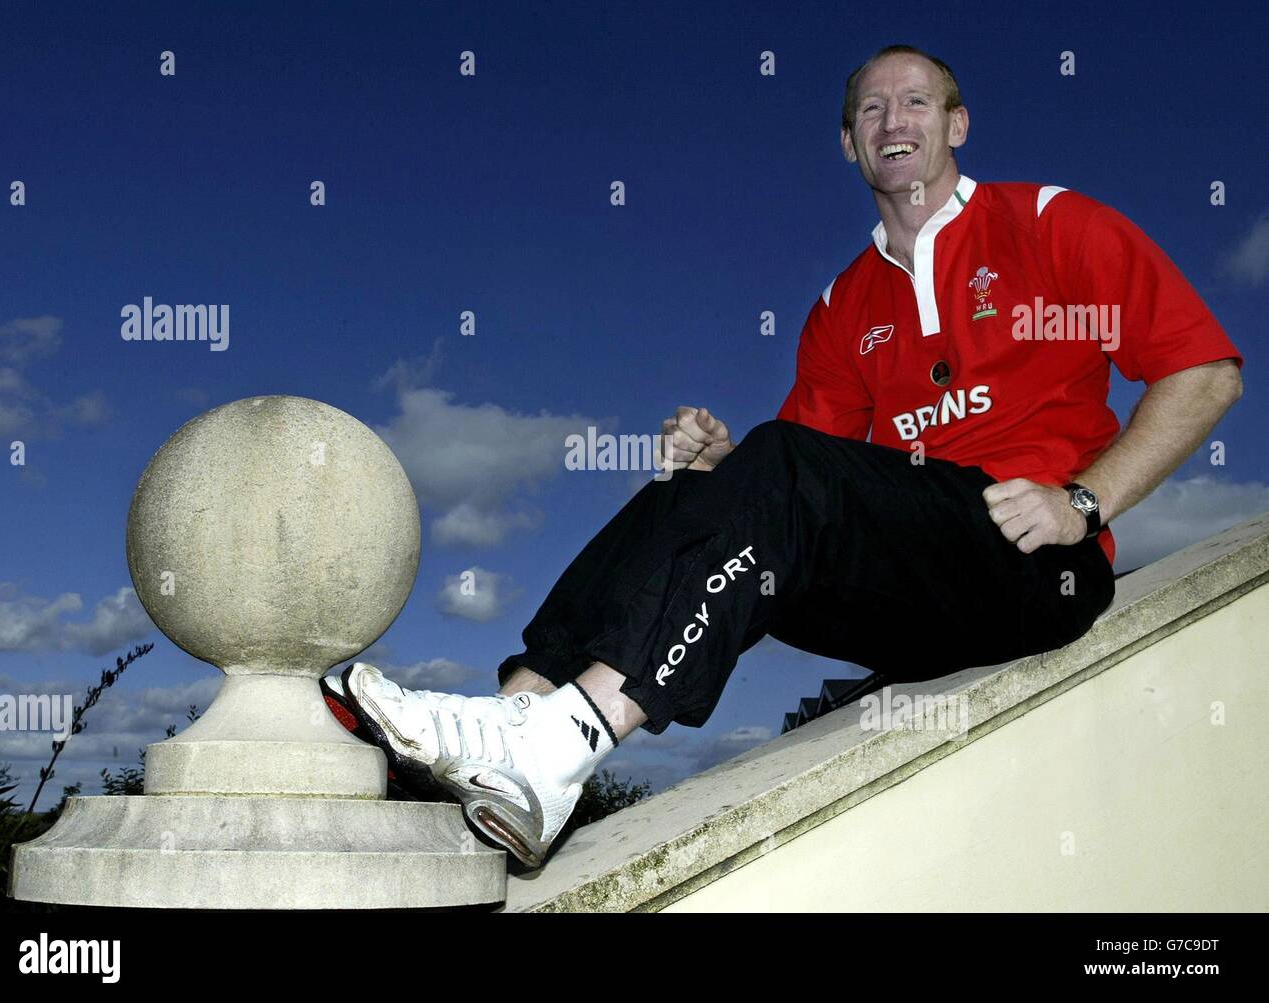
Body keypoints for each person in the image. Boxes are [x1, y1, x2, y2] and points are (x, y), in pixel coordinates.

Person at [321, 44, 1243, 869]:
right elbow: (799, 489)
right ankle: (521, 719)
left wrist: (1083, 501)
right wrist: (719, 468)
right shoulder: (845, 303)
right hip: (914, 589)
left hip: (1037, 564)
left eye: (917, 102)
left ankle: (564, 738)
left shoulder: (1051, 222)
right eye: (872, 110)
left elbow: (1206, 373)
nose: (895, 121)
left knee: (785, 468)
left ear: (957, 125)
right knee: (683, 492)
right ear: (849, 143)